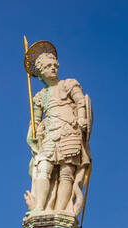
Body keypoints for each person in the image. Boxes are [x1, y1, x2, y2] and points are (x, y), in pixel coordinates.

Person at [24, 41, 91, 217]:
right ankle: (40, 206)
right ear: (40, 71)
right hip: (50, 135)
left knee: (66, 172)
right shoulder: (39, 97)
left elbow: (81, 101)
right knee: (43, 167)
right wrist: (34, 132)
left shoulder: (69, 84)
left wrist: (83, 118)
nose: (53, 68)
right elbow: (36, 120)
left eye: (55, 65)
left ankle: (61, 210)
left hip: (69, 131)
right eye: (48, 66)